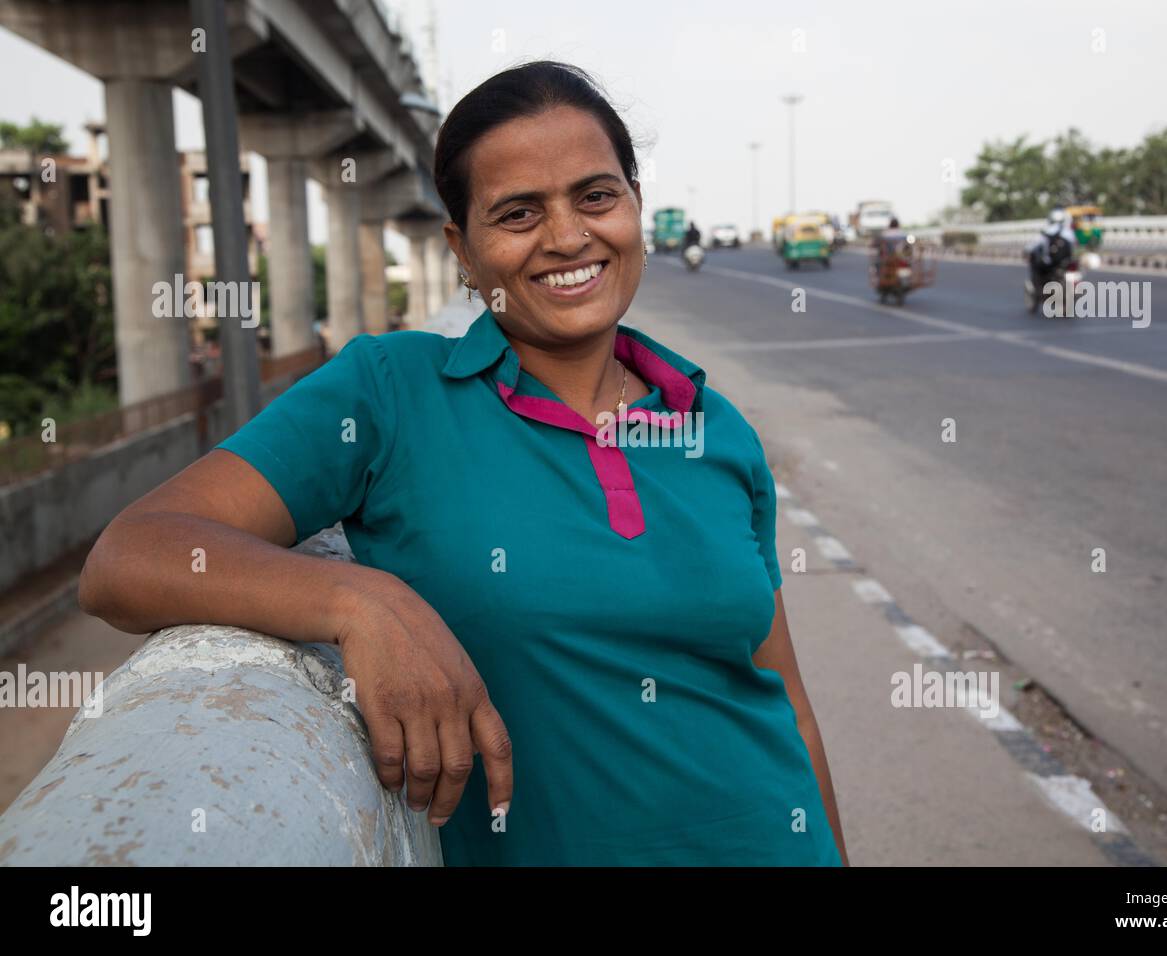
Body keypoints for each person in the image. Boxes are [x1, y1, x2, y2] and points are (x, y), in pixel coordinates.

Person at [78, 60, 848, 868]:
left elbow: (787, 704)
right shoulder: (389, 395)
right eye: (518, 213)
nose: (567, 236)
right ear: (463, 252)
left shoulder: (714, 425)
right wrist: (359, 601)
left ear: (635, 207)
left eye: (596, 195)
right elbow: (130, 556)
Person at [1024, 207, 1076, 291]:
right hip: (1067, 261)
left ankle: (1038, 289)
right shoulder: (1069, 232)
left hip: (1051, 263)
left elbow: (1034, 244)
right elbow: (1075, 245)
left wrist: (1027, 250)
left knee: (1038, 266)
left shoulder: (1047, 231)